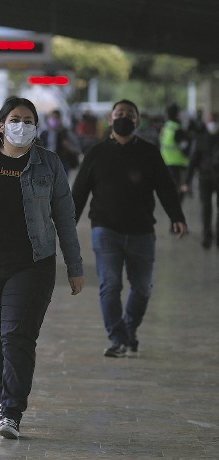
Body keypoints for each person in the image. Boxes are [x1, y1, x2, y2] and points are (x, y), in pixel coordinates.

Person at [0, 96, 84, 440]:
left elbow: (65, 218)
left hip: (31, 264)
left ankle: (11, 411)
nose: (21, 126)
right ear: (1, 125)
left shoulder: (49, 165)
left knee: (16, 337)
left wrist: (74, 265)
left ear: (36, 127)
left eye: (28, 120)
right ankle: (6, 395)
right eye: (15, 119)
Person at [71, 99, 187, 358]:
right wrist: (68, 223)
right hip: (105, 230)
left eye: (130, 114)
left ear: (137, 121)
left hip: (142, 231)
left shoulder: (149, 152)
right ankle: (118, 338)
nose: (124, 117)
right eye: (119, 113)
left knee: (143, 288)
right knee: (110, 285)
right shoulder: (96, 153)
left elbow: (166, 188)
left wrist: (177, 216)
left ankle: (128, 330)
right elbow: (79, 191)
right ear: (111, 119)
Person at [184, 111, 219, 248]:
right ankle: (207, 235)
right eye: (211, 121)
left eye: (215, 121)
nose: (213, 124)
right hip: (205, 178)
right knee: (206, 207)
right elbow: (193, 161)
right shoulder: (200, 139)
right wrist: (187, 181)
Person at [159, 103, 190, 202]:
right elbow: (185, 147)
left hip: (166, 161)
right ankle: (176, 210)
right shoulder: (178, 129)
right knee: (180, 188)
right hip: (179, 163)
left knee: (171, 187)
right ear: (177, 114)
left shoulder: (165, 127)